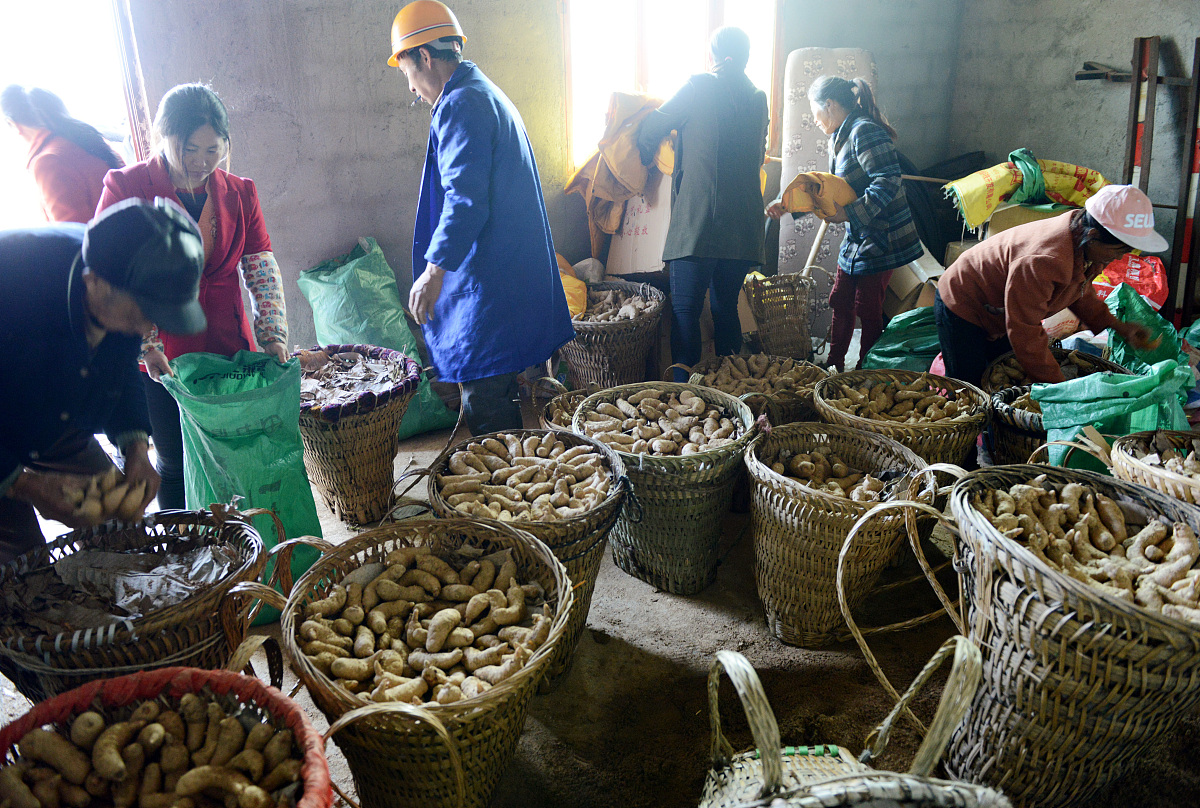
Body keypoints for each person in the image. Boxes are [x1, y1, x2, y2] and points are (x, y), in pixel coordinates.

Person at [95, 83, 288, 510]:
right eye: (189, 150)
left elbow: (260, 265)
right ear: (163, 137)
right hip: (164, 349)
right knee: (175, 458)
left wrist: (272, 333)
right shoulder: (127, 187)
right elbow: (115, 280)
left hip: (227, 340)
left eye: (212, 150)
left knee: (235, 451)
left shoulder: (239, 192)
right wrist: (147, 346)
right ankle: (187, 549)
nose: (200, 162)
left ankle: (243, 541)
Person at [389, 1, 573, 434]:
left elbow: (465, 202)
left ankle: (506, 488)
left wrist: (434, 272)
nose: (411, 88)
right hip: (505, 271)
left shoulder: (461, 104)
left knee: (484, 396)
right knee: (493, 387)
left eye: (407, 74)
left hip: (491, 281)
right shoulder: (482, 89)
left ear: (426, 58)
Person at [0, 197, 205, 564]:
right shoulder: (14, 284)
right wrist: (24, 482)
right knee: (22, 565)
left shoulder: (122, 274)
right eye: (145, 313)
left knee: (119, 525)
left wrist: (137, 448)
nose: (147, 327)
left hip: (44, 407)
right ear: (94, 282)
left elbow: (121, 365)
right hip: (12, 403)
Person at [635, 27, 769, 380]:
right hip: (743, 226)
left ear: (712, 56)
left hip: (699, 223)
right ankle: (731, 391)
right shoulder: (758, 97)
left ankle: (687, 396)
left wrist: (652, 155)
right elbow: (758, 154)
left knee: (686, 311)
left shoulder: (698, 86)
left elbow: (652, 127)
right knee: (726, 310)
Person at [935, 184, 1160, 387]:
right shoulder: (1043, 259)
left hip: (999, 307)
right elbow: (1025, 329)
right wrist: (1059, 388)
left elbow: (1079, 291)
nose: (1120, 259)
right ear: (1093, 236)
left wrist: (1119, 326)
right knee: (970, 386)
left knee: (1004, 372)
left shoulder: (1082, 241)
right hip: (964, 302)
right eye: (1120, 251)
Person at [768, 76, 922, 372]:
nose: (815, 121)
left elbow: (888, 181)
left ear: (830, 104)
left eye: (815, 113)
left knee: (868, 306)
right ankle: (835, 362)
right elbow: (826, 188)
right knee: (840, 298)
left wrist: (849, 214)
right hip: (860, 233)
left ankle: (866, 369)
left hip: (882, 235)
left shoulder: (865, 132)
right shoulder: (839, 136)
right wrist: (787, 205)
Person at [2, 85, 124, 224]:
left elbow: (74, 233)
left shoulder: (49, 162)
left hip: (110, 243)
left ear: (13, 124)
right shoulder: (90, 140)